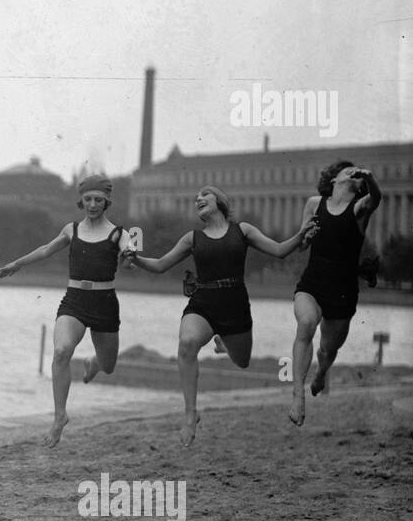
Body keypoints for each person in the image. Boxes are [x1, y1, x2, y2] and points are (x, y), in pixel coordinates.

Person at [124, 186, 317, 446]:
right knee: (187, 343)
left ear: (220, 201)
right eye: (195, 199)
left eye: (204, 194)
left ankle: (223, 342)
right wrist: (135, 258)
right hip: (203, 302)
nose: (198, 199)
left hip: (235, 306)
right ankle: (191, 413)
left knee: (242, 361)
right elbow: (160, 265)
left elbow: (280, 250)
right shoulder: (191, 238)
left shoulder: (243, 230)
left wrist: (302, 234)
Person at [0, 174, 133, 447]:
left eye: (98, 200)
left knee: (108, 366)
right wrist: (17, 263)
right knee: (61, 352)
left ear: (107, 201)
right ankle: (60, 416)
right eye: (88, 200)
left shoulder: (121, 233)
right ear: (80, 201)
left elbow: (129, 253)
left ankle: (93, 363)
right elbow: (47, 249)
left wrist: (128, 258)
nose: (92, 205)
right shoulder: (71, 229)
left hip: (104, 302)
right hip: (74, 300)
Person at [289, 161, 383, 425]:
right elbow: (301, 244)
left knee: (327, 351)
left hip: (342, 292)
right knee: (306, 323)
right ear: (333, 179)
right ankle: (298, 396)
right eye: (348, 170)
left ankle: (320, 374)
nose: (353, 173)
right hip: (312, 284)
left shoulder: (360, 208)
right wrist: (306, 237)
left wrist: (371, 178)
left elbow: (376, 198)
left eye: (357, 173)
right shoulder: (313, 204)